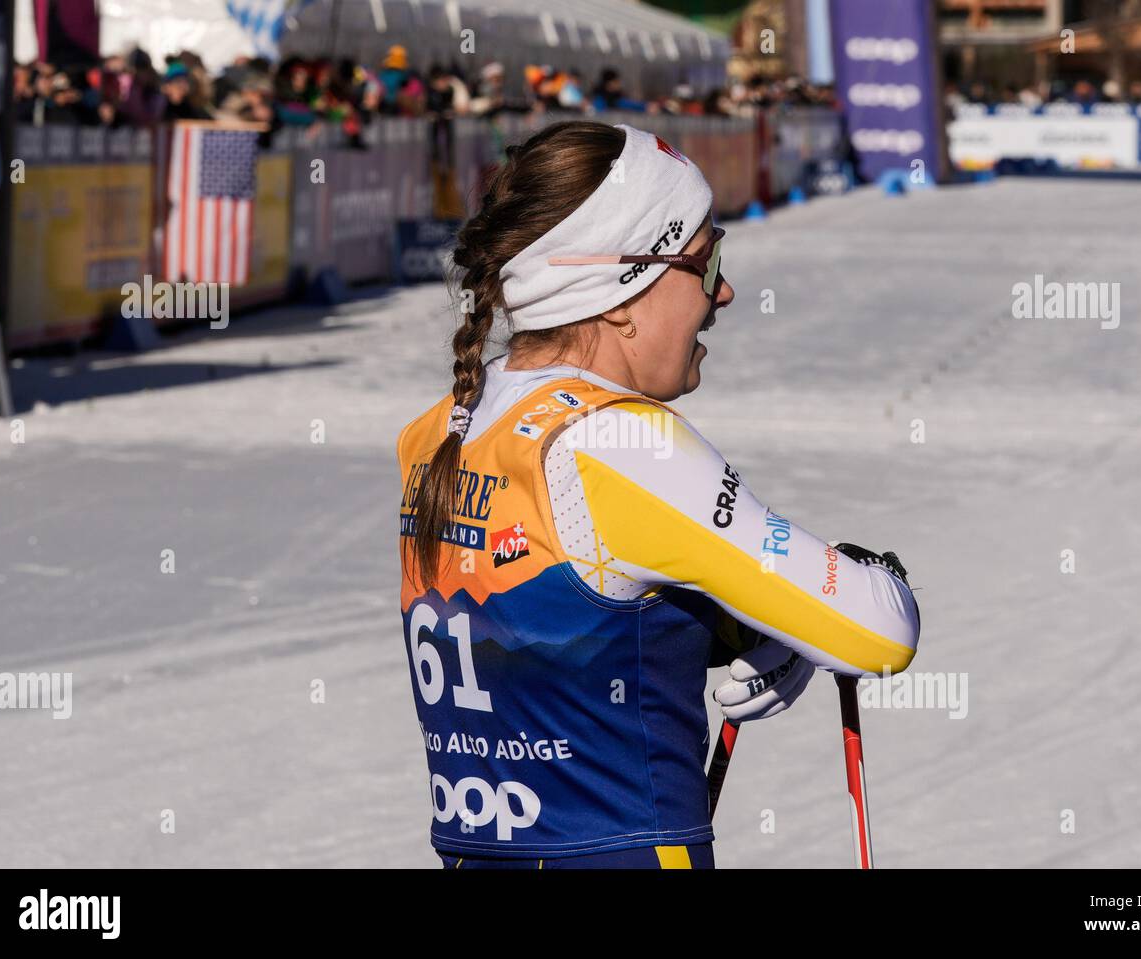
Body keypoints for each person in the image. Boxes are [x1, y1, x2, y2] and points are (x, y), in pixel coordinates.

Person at [395, 121, 921, 869]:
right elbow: (877, 631)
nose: (725, 291)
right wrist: (851, 592)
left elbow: (560, 620)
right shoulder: (621, 443)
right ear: (619, 293)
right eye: (704, 265)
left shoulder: (442, 429)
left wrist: (757, 631)